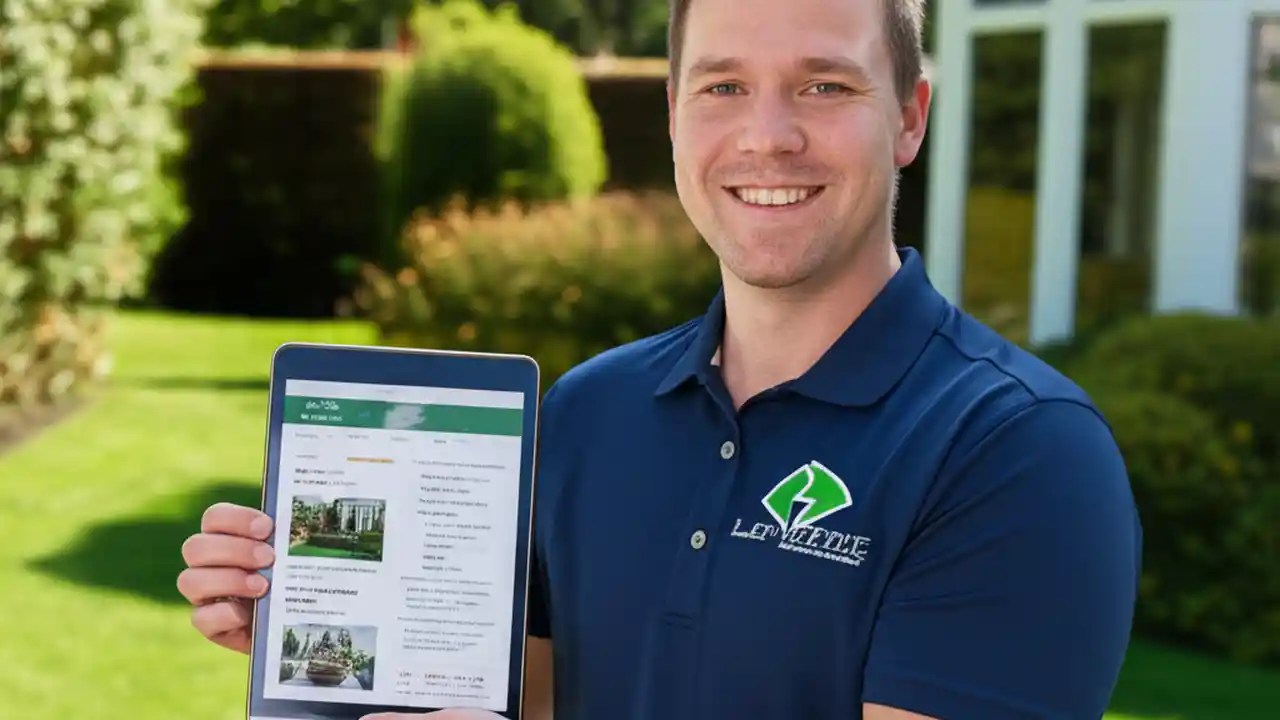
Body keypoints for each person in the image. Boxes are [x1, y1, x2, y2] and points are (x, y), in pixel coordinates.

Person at [178, 0, 1143, 717]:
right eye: (723, 86)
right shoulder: (593, 412)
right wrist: (328, 632)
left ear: (909, 118)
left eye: (825, 84)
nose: (769, 134)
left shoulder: (1020, 453)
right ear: (675, 119)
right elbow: (530, 695)